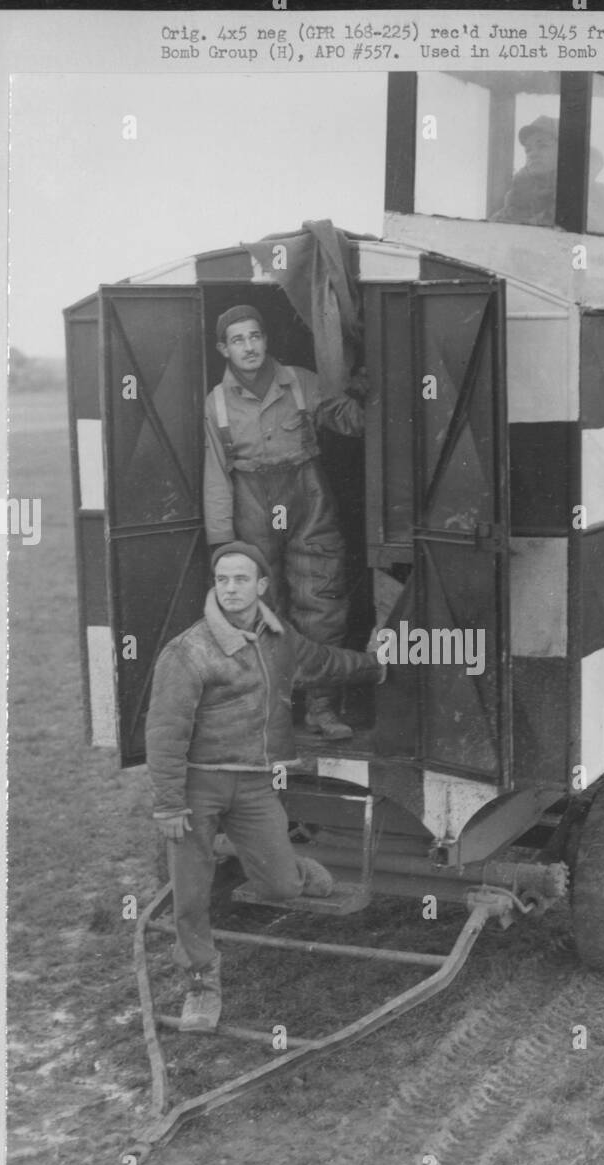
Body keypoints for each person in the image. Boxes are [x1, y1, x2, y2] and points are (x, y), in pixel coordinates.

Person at [146, 541, 385, 1032]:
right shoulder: (188, 652)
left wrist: (375, 664)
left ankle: (293, 869)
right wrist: (170, 804)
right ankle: (201, 986)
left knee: (279, 887)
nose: (230, 589)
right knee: (190, 897)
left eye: (240, 579)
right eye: (222, 580)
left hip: (255, 785)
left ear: (260, 586)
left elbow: (322, 663)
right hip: (196, 788)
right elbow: (164, 733)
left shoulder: (278, 640)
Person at [203, 305, 365, 741]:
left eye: (254, 336)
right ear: (225, 348)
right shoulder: (216, 404)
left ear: (266, 340)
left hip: (307, 497)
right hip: (252, 506)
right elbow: (217, 472)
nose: (249, 346)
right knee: (261, 607)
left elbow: (348, 420)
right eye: (238, 340)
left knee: (322, 598)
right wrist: (222, 541)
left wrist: (364, 392)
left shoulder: (301, 382)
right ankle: (273, 709)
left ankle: (322, 708)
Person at [489, 114, 604, 236]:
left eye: (542, 146)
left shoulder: (597, 196)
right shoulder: (518, 196)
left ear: (565, 150)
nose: (533, 154)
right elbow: (490, 234)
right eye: (528, 150)